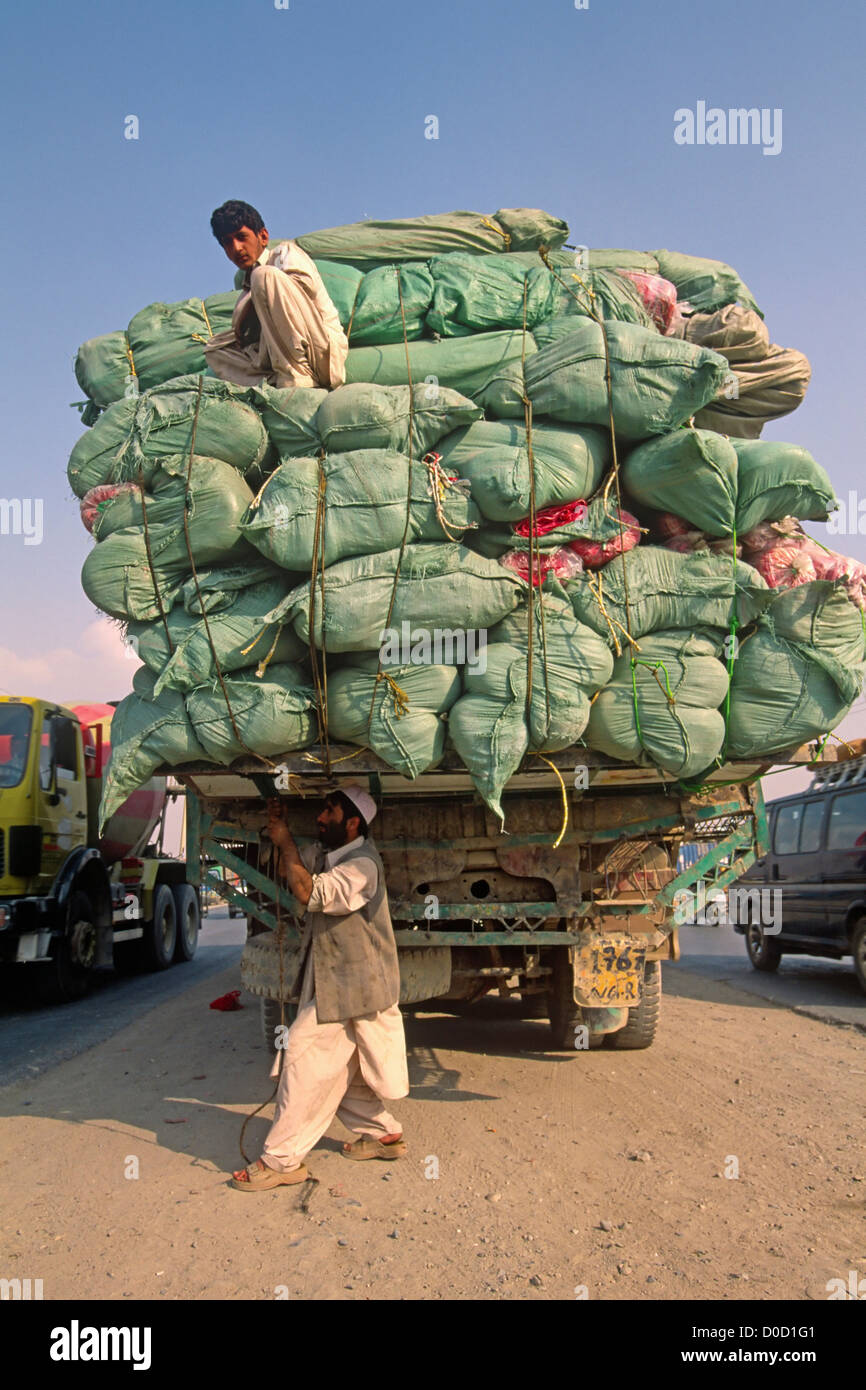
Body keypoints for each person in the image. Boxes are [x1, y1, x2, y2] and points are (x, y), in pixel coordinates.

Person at [231, 784, 409, 1191]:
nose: (320, 817)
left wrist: (287, 841)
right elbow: (290, 871)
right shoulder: (332, 855)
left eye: (328, 812)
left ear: (351, 823)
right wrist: (279, 831)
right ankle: (383, 1135)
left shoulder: (363, 866)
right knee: (342, 1069)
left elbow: (309, 892)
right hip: (340, 982)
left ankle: (281, 1161)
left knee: (303, 1057)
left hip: (352, 987)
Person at [204, 199, 349, 391]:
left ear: (263, 236)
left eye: (241, 237)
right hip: (275, 358)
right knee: (215, 348)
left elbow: (302, 290)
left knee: (264, 276)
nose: (236, 248)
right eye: (228, 243)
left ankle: (297, 376)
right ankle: (270, 382)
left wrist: (259, 297)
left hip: (318, 353)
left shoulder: (284, 254)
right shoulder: (247, 288)